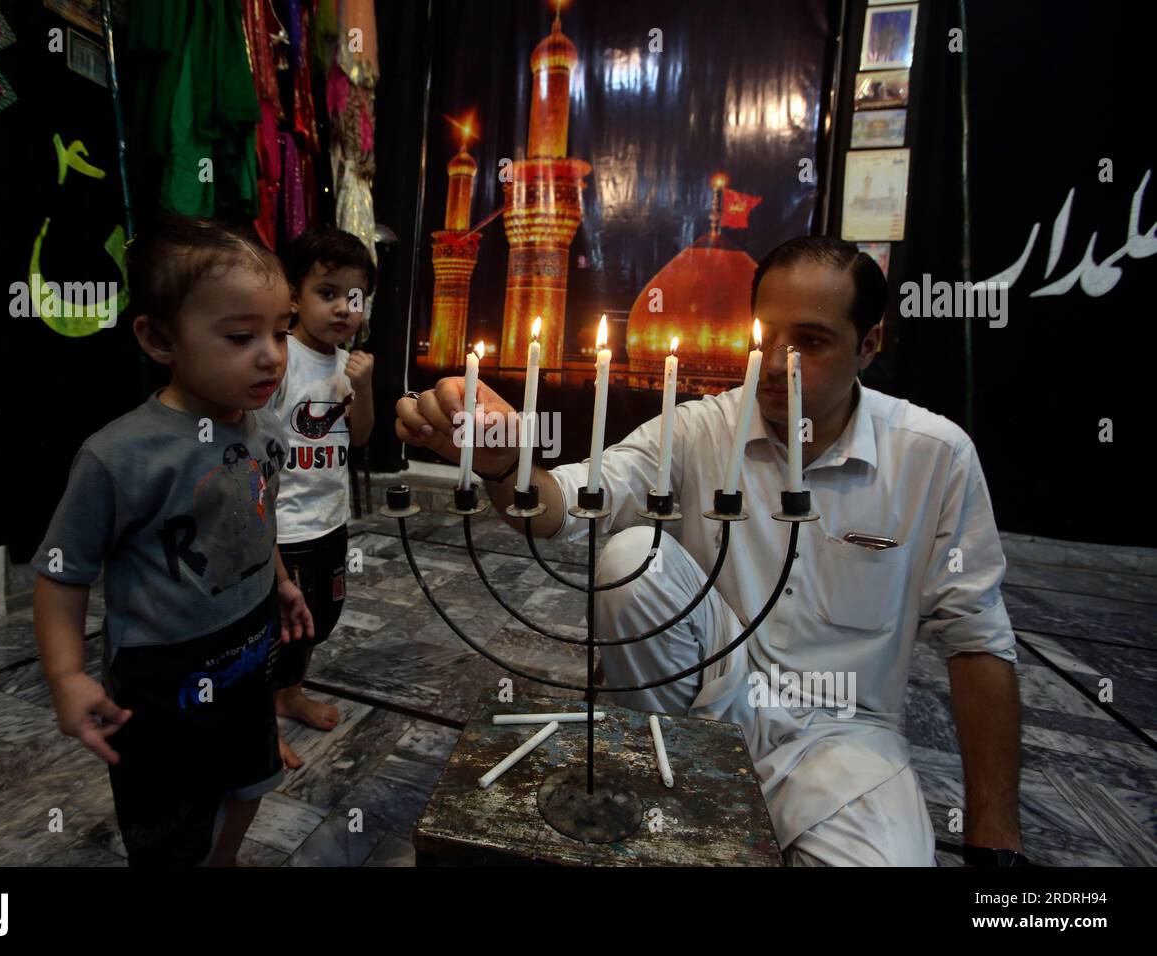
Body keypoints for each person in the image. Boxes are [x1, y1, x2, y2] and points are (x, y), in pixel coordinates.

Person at [395, 236, 1025, 867]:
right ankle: (647, 761)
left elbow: (977, 642)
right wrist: (508, 465)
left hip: (843, 733)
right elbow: (571, 505)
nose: (778, 364)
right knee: (632, 557)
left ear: (868, 345)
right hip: (699, 701)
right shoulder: (700, 428)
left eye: (810, 341)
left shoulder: (932, 456)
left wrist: (994, 840)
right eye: (765, 337)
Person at [33, 215, 314, 867]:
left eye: (281, 330)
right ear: (159, 339)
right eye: (241, 336)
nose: (272, 355)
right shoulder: (118, 458)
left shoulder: (261, 424)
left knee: (251, 781)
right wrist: (66, 676)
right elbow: (61, 573)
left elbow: (254, 514)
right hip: (162, 688)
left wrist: (279, 582)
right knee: (168, 828)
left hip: (247, 655)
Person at [266, 228, 376, 767]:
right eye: (327, 292)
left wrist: (366, 386)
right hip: (284, 528)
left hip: (330, 519)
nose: (342, 308)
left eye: (353, 298)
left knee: (320, 619)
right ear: (293, 296)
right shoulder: (280, 358)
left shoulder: (347, 365)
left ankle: (290, 694)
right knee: (277, 629)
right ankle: (260, 718)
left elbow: (359, 437)